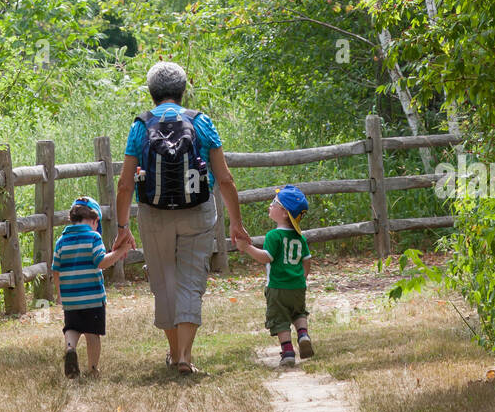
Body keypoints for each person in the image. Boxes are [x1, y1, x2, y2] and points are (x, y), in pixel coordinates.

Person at [105, 61, 251, 376]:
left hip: (154, 213)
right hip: (198, 211)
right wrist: (236, 224)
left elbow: (125, 183)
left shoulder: (140, 126)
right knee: (191, 280)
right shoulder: (202, 122)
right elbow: (224, 179)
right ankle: (185, 355)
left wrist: (121, 227)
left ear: (152, 92)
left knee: (165, 281)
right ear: (183, 91)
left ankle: (173, 352)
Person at [237, 184, 314, 367]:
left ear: (285, 213)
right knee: (298, 312)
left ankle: (288, 352)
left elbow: (266, 258)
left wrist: (247, 248)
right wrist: (302, 278)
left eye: (274, 203)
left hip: (277, 288)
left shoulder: (273, 235)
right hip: (297, 287)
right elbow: (307, 260)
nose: (270, 205)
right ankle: (303, 334)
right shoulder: (300, 237)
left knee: (280, 319)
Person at [51, 197, 117, 378]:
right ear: (95, 220)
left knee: (72, 328)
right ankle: (93, 369)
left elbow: (55, 270)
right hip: (92, 298)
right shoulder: (93, 237)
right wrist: (118, 253)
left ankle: (70, 348)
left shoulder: (61, 241)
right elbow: (101, 262)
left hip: (70, 299)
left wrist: (60, 294)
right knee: (92, 334)